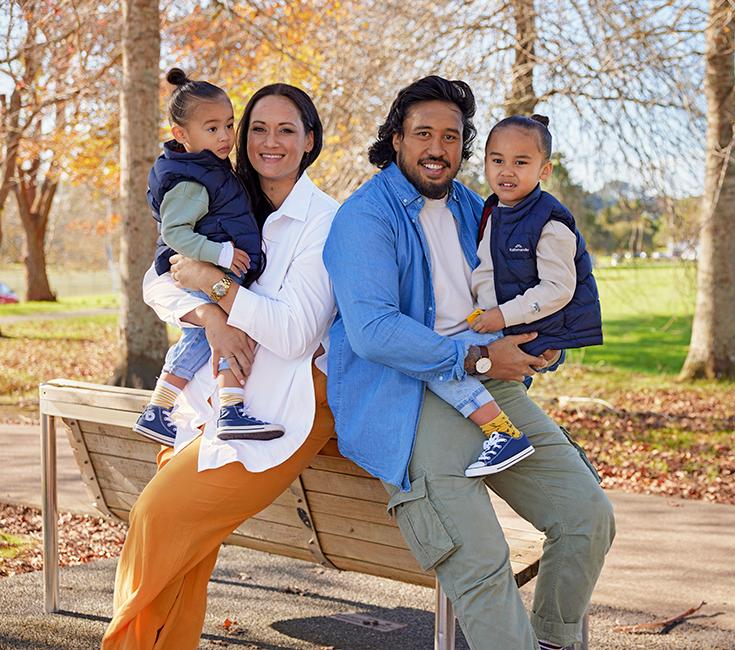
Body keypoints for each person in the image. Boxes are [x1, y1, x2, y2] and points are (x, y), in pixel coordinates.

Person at [324, 75, 615, 650]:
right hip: (408, 398)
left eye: (452, 137)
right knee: (482, 561)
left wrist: (539, 348)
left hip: (489, 392)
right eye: (423, 134)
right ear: (397, 139)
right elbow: (374, 332)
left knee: (587, 517)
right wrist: (479, 358)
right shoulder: (364, 217)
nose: (438, 148)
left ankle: (553, 639)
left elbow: (523, 290)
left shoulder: (475, 207)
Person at [102, 83, 339, 650]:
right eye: (257, 128)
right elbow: (157, 282)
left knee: (158, 519)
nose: (268, 140)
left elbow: (293, 332)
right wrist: (211, 316)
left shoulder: (326, 221)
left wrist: (215, 283)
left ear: (310, 140)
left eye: (287, 129)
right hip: (208, 400)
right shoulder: (224, 194)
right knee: (186, 561)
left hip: (284, 404)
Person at [426, 113, 603, 477]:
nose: (507, 171)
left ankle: (502, 433)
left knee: (435, 360)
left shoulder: (550, 223)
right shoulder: (494, 210)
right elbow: (488, 271)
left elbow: (558, 289)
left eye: (521, 162)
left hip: (528, 327)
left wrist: (500, 317)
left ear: (545, 170)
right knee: (440, 354)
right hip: (501, 322)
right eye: (497, 160)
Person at [134, 67, 280, 446]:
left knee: (211, 336)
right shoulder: (192, 179)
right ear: (181, 135)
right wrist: (222, 252)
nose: (226, 136)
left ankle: (166, 410)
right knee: (221, 333)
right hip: (207, 269)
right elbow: (174, 233)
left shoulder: (210, 169)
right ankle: (219, 410)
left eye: (229, 125)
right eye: (212, 128)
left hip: (217, 271)